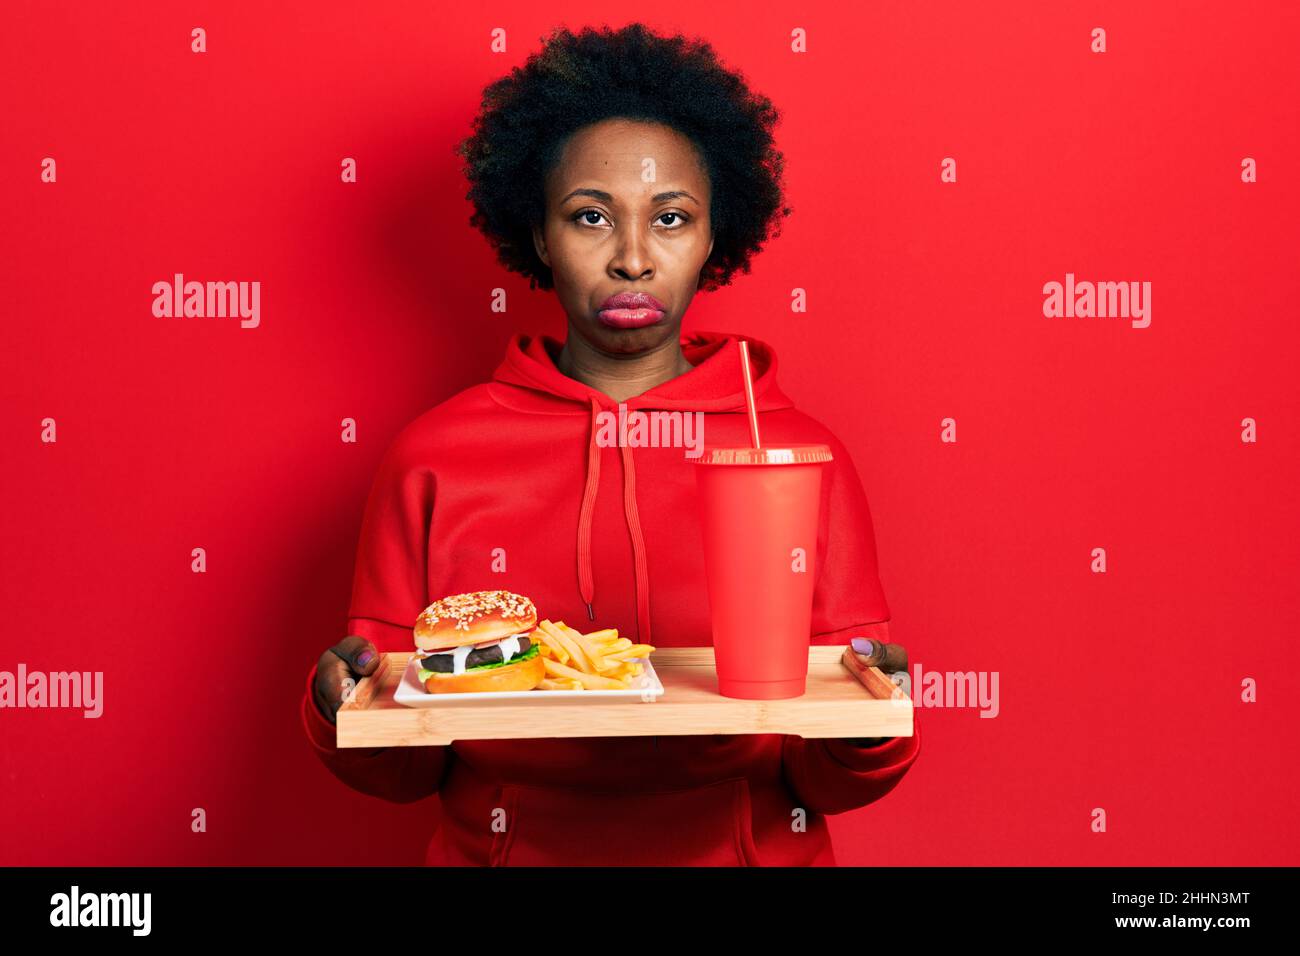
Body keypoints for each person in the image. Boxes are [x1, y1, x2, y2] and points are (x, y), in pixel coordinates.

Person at [302, 22, 920, 866]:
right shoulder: (433, 455)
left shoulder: (798, 455)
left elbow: (826, 777)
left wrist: (875, 716)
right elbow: (406, 765)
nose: (633, 257)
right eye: (591, 217)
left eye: (671, 219)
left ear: (713, 239)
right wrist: (338, 707)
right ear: (541, 235)